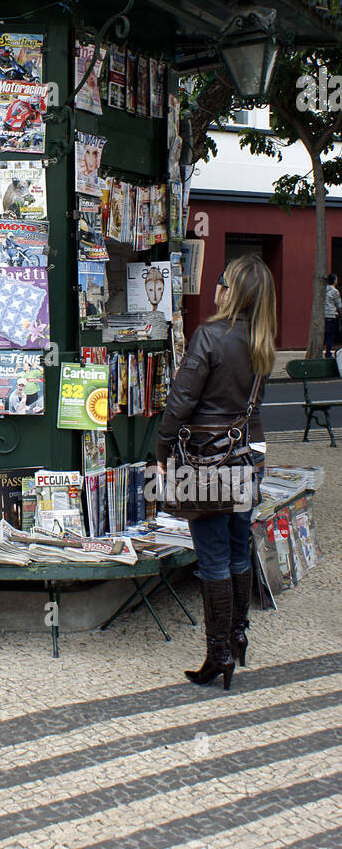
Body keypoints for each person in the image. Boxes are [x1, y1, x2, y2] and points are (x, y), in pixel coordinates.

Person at [156, 255, 275, 691]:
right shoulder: (262, 339)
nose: (216, 287)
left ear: (233, 290)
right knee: (237, 547)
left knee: (212, 557)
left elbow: (181, 403)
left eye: (221, 281)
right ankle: (237, 636)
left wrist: (162, 449)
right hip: (249, 453)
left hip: (209, 459)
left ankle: (218, 655)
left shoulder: (209, 336)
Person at [324, 273, 341, 358]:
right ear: (334, 280)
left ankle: (327, 351)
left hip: (324, 315)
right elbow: (339, 305)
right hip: (331, 315)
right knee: (330, 335)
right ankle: (328, 352)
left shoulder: (323, 290)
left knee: (326, 334)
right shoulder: (334, 291)